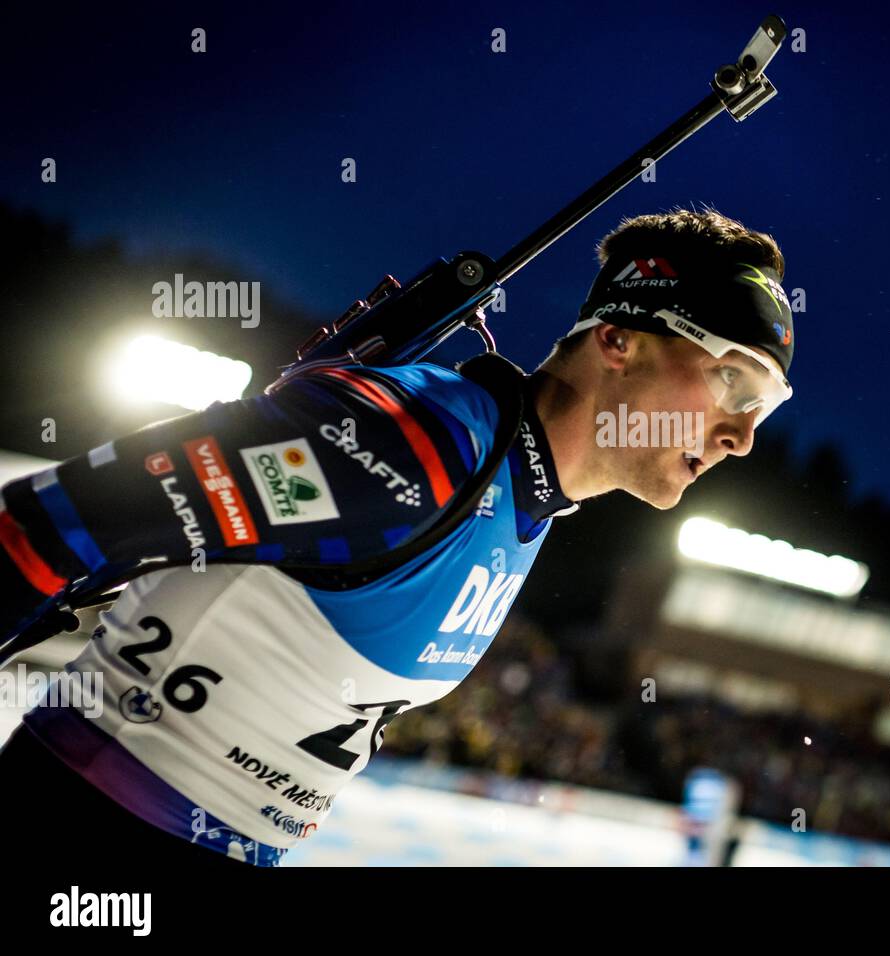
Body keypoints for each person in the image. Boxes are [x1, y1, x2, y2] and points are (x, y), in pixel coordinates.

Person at [0, 206, 794, 866]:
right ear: (618, 341)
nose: (741, 436)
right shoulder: (418, 445)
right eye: (733, 379)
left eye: (765, 406)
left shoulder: (524, 495)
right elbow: (48, 521)